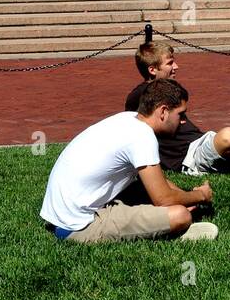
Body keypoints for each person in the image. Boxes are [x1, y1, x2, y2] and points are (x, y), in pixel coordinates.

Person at [40, 78, 218, 244]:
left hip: (62, 213)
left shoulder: (128, 120)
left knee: (154, 195)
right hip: (76, 226)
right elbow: (163, 199)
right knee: (180, 215)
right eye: (181, 114)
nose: (183, 121)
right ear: (163, 111)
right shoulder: (142, 137)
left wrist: (184, 197)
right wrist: (201, 196)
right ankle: (174, 230)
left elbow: (155, 181)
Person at [125, 43, 230, 175]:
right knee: (228, 136)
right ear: (152, 70)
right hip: (190, 157)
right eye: (170, 63)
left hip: (204, 141)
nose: (176, 66)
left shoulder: (166, 89)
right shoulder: (141, 96)